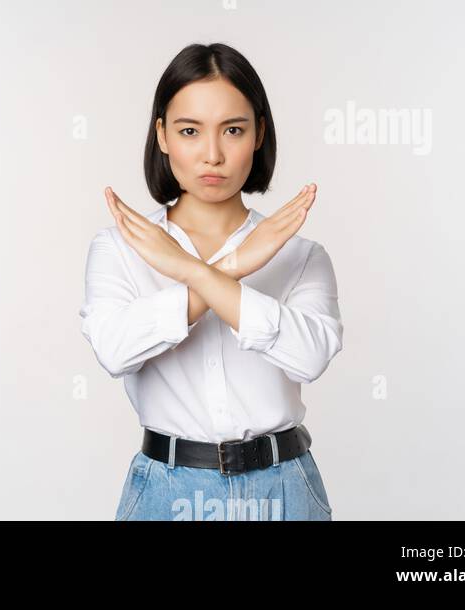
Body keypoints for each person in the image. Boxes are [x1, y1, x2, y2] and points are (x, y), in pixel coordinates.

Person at [79, 43, 344, 521]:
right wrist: (233, 268)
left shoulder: (302, 255)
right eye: (189, 131)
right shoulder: (119, 248)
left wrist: (194, 270)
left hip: (284, 490)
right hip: (166, 490)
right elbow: (114, 351)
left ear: (259, 133)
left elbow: (311, 359)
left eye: (234, 130)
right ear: (162, 135)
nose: (213, 154)